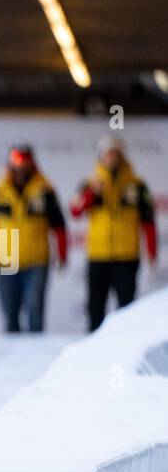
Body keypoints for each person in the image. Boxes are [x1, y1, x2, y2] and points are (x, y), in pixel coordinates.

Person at [71, 135, 158, 330]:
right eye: (107, 154)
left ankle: (124, 345)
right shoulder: (89, 184)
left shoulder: (137, 184)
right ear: (101, 156)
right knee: (96, 305)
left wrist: (152, 253)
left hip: (127, 255)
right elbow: (75, 211)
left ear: (121, 155)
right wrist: (92, 193)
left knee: (126, 306)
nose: (111, 158)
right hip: (98, 255)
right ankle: (93, 344)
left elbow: (149, 221)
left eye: (114, 153)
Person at [0, 145, 66, 333]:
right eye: (16, 160)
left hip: (36, 260)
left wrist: (62, 255)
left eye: (24, 160)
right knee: (9, 313)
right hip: (7, 261)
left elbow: (59, 226)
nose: (20, 165)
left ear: (32, 162)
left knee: (35, 311)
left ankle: (37, 359)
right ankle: (12, 360)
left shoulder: (45, 191)